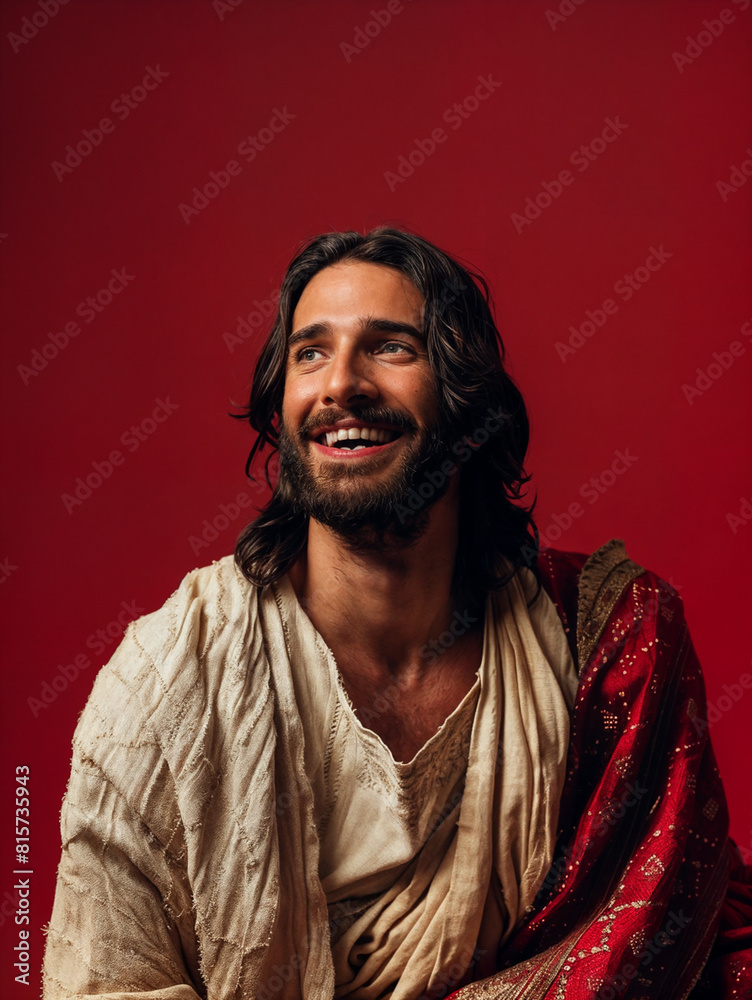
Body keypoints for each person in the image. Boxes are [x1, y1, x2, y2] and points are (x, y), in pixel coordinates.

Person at [42, 228, 751, 1000]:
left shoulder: (607, 646)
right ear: (280, 410)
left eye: (390, 347)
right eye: (310, 353)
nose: (340, 383)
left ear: (463, 399)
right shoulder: (165, 687)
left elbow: (679, 924)